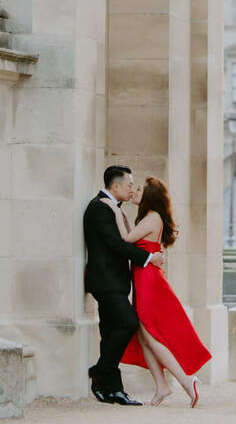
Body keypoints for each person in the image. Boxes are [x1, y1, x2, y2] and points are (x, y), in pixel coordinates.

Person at [117, 175, 211, 407]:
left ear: (149, 196)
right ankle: (162, 386)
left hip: (147, 279)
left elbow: (127, 239)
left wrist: (116, 211)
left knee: (150, 333)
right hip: (143, 277)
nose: (135, 192)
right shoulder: (149, 218)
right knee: (142, 335)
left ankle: (186, 380)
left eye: (139, 189)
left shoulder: (152, 218)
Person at [83, 164, 164, 406]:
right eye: (129, 185)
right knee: (128, 323)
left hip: (115, 280)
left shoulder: (113, 209)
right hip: (105, 281)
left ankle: (112, 389)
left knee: (109, 332)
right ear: (115, 186)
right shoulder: (99, 208)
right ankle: (100, 372)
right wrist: (149, 259)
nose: (132, 189)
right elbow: (115, 244)